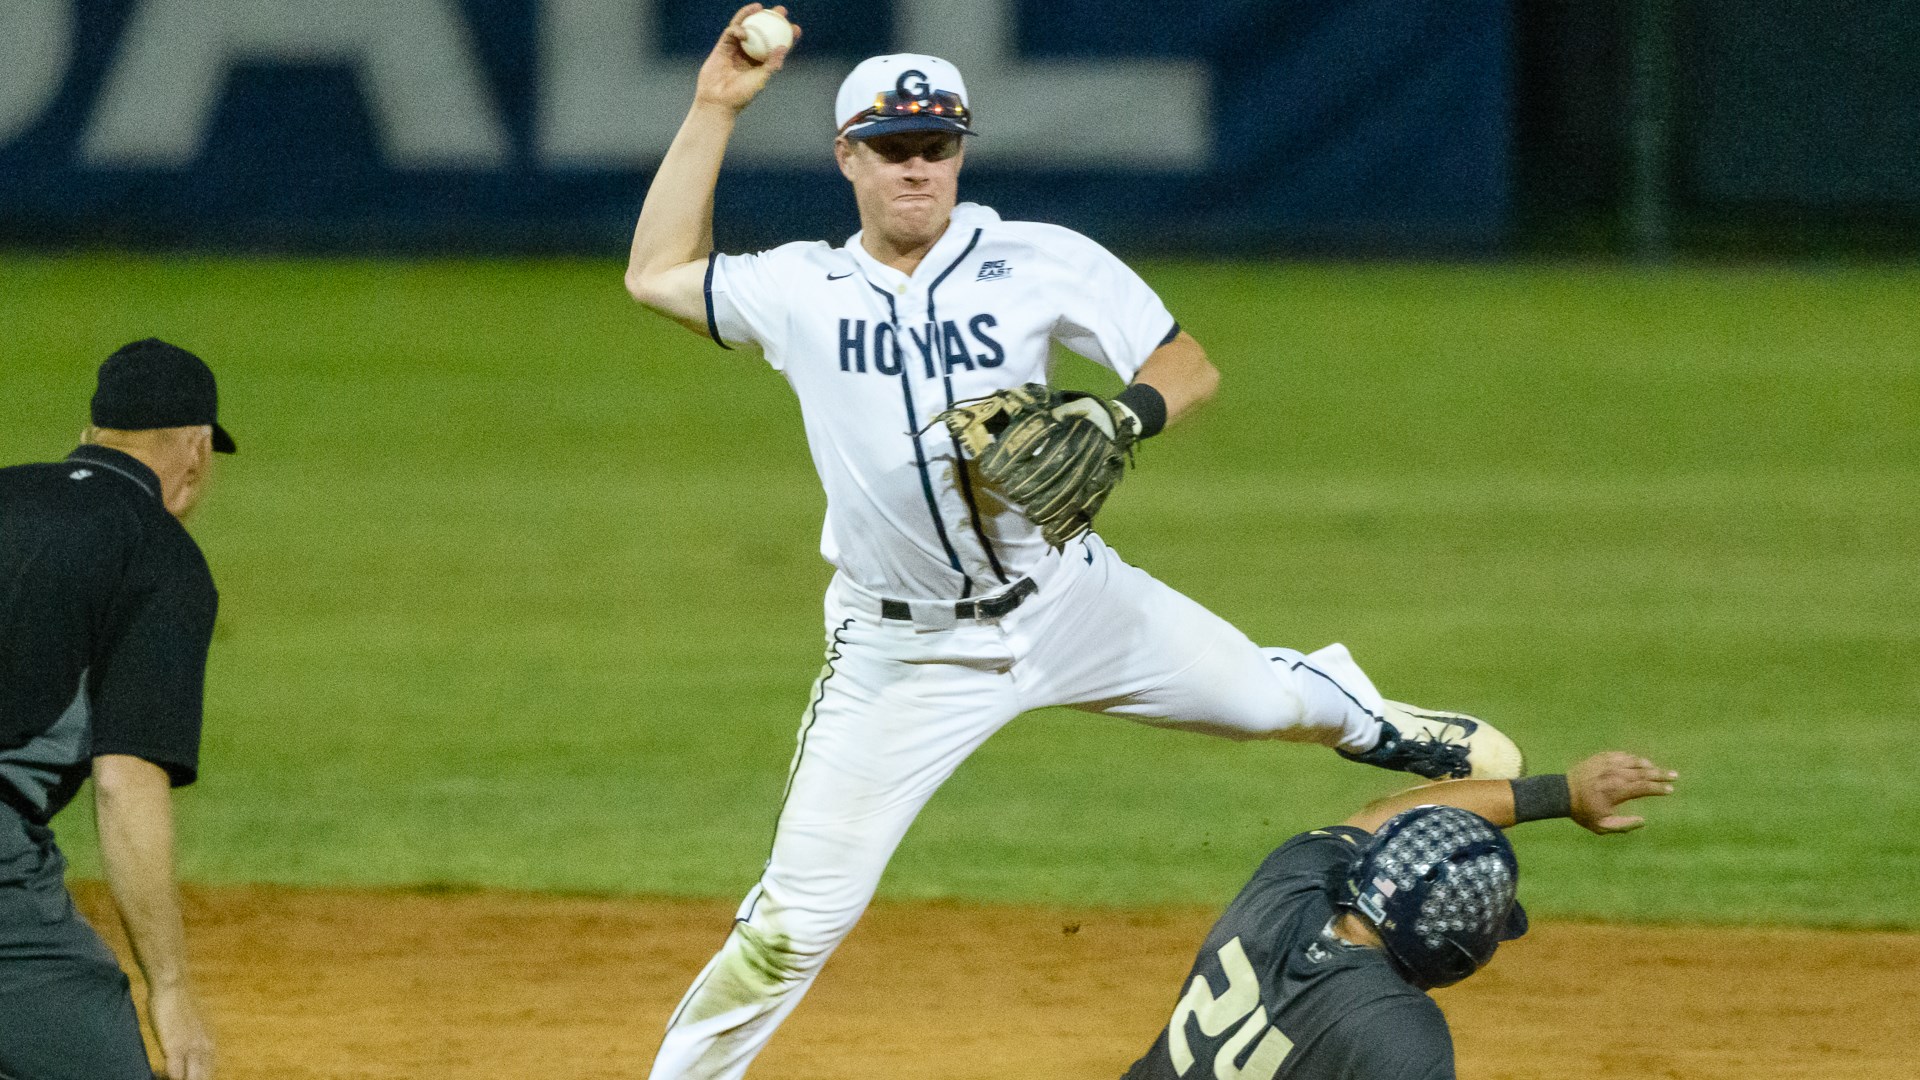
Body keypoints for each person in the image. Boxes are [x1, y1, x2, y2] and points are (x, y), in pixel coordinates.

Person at [622, 8, 1525, 1077]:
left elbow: (1184, 363)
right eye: (892, 148)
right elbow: (657, 272)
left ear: (961, 151)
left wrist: (1121, 415)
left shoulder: (1039, 260)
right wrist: (715, 106)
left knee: (1266, 703)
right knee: (792, 923)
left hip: (1067, 601)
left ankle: (1368, 712)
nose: (918, 168)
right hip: (901, 658)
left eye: (937, 146)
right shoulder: (799, 289)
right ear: (847, 159)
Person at [1121, 752, 1680, 1080]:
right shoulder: (1401, 1034)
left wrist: (1559, 794)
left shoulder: (1293, 884)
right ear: (1456, 952)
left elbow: (1380, 815)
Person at [0, 339, 234, 1080]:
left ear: (90, 429)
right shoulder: (158, 554)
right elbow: (124, 782)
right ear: (195, 452)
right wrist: (170, 990)